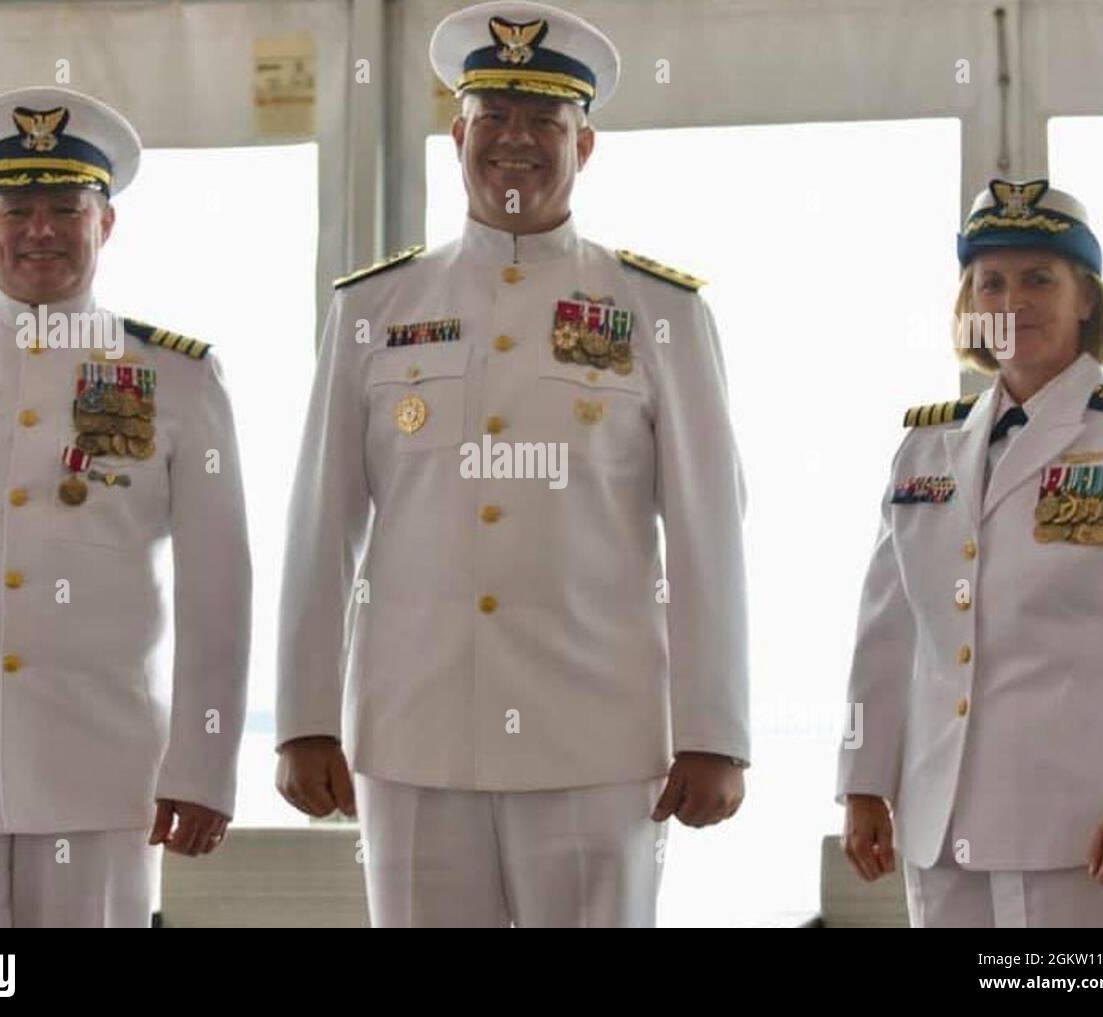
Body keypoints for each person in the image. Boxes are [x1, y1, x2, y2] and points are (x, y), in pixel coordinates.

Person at [275, 1, 749, 928]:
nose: (516, 140)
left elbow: (708, 532)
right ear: (457, 134)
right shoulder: (375, 306)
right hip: (414, 733)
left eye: (545, 120)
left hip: (596, 737)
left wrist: (713, 730)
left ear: (586, 144)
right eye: (494, 117)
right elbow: (320, 520)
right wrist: (302, 717)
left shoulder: (658, 309)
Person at [0, 86, 251, 927]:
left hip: (105, 782)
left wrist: (206, 764)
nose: (39, 227)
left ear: (104, 224)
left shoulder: (179, 379)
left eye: (65, 207)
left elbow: (218, 592)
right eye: (17, 207)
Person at [838, 178, 1103, 927]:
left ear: (1087, 298)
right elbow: (885, 634)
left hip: (1084, 823)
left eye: (1039, 279)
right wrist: (862, 781)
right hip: (940, 820)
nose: (1012, 301)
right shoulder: (927, 444)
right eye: (991, 282)